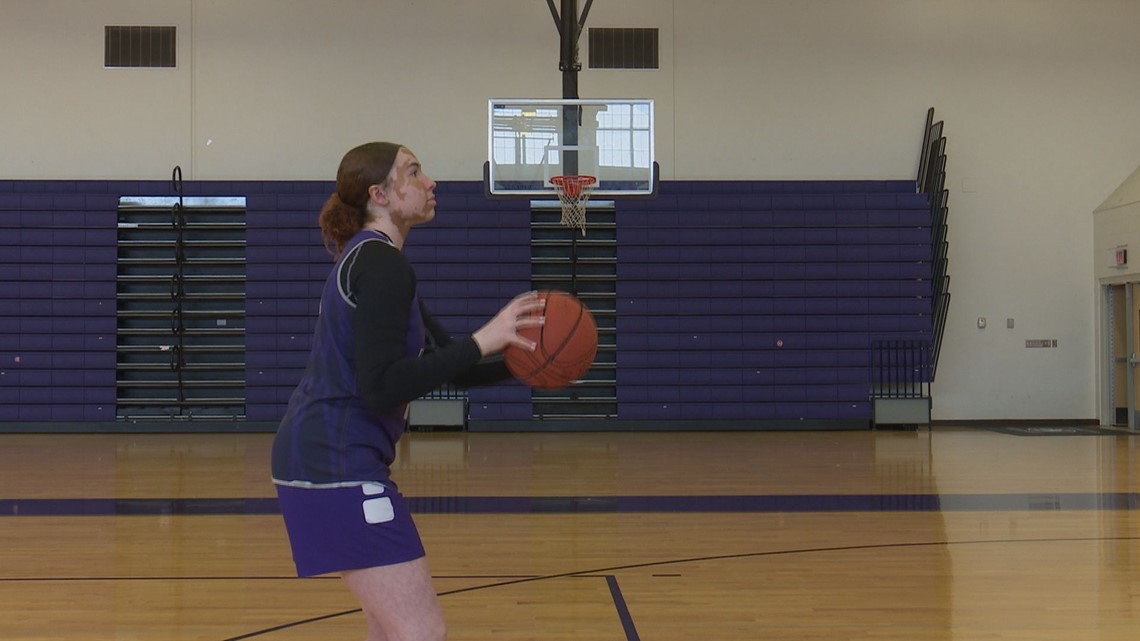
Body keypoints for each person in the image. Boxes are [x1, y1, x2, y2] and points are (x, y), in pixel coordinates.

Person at [271, 141, 542, 641]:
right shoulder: (381, 265)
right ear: (380, 194)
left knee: (393, 631)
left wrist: (527, 365)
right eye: (414, 172)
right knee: (420, 632)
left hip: (329, 462)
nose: (430, 181)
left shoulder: (381, 263)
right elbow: (382, 388)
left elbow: (449, 369)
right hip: (334, 465)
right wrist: (485, 338)